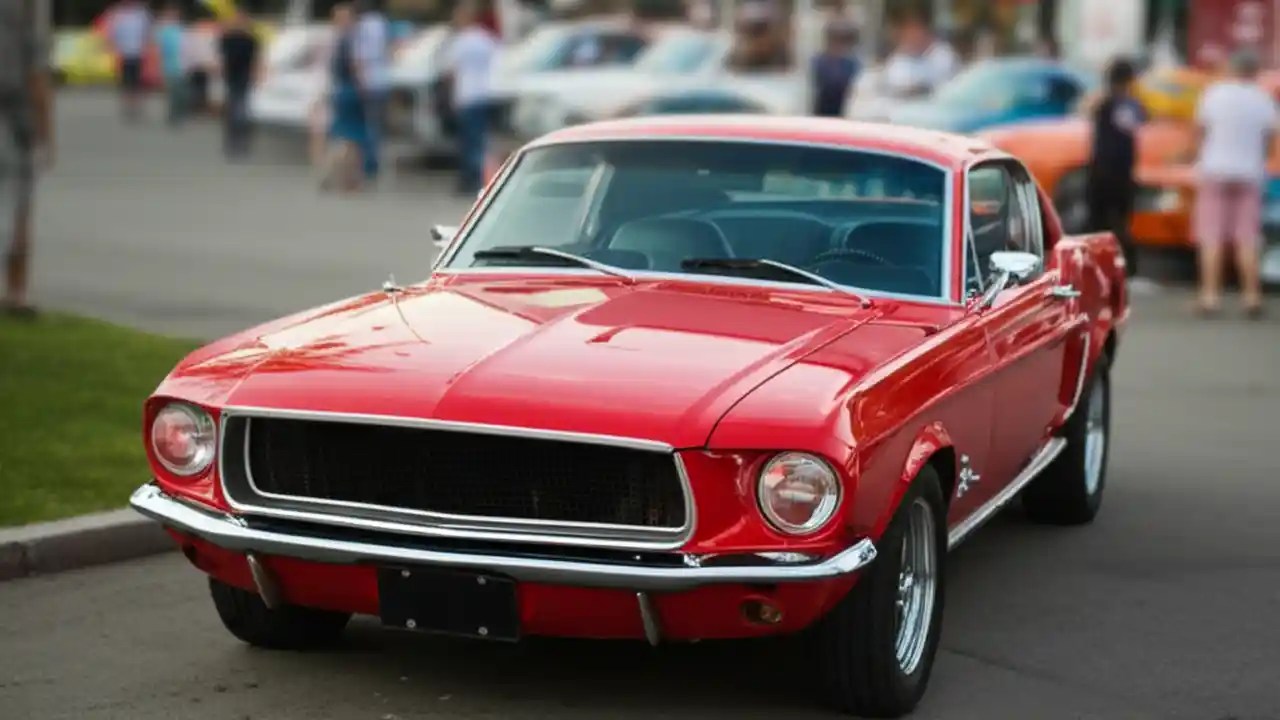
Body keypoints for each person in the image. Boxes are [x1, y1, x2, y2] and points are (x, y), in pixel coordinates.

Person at [1191, 49, 1277, 318]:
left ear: (1230, 67)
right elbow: (1270, 139)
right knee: (1247, 238)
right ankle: (1251, 296)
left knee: (1212, 236)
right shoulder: (1263, 99)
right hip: (1249, 174)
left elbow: (1200, 131)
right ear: (1255, 71)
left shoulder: (1214, 94)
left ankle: (1210, 297)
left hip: (1215, 171)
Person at [2, 0, 53, 318]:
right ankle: (16, 291)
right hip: (13, 115)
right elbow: (36, 71)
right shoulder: (30, 6)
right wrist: (46, 132)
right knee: (18, 203)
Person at [1085, 58, 1144, 282]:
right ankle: (1125, 269)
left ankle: (1096, 266)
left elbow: (1086, 111)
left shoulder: (1103, 102)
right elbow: (1138, 123)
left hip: (1100, 169)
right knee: (1120, 221)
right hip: (1121, 172)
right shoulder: (1129, 104)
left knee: (1097, 222)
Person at [445, 1, 498, 196]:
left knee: (468, 142)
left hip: (466, 96)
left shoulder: (460, 41)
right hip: (483, 94)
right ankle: (480, 178)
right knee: (480, 140)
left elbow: (451, 72)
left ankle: (470, 180)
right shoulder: (486, 39)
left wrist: (449, 97)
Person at [320, 3, 367, 192]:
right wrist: (363, 86)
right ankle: (341, 177)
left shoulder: (336, 40)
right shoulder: (351, 40)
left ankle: (345, 178)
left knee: (347, 137)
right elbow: (357, 66)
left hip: (340, 89)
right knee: (351, 138)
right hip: (351, 90)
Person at [353, 0, 391, 184]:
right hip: (382, 80)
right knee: (376, 125)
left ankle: (369, 164)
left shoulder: (363, 26)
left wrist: (360, 81)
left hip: (369, 80)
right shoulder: (382, 24)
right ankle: (374, 162)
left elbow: (360, 56)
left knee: (368, 124)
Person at [882, 14, 957, 99]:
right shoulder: (897, 60)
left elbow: (950, 87)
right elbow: (892, 86)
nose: (912, 37)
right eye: (907, 34)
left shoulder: (943, 55)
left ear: (925, 32)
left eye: (916, 31)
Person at [218, 10, 260, 160]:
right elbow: (222, 58)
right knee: (234, 109)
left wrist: (256, 75)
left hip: (244, 77)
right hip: (231, 76)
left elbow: (256, 59)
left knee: (240, 109)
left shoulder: (251, 39)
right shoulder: (227, 38)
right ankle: (233, 143)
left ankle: (240, 142)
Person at [108, 0, 152, 122]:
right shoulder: (118, 15)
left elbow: (147, 32)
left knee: (137, 81)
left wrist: (147, 47)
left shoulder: (142, 14)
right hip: (124, 53)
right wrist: (114, 47)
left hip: (138, 52)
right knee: (126, 81)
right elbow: (114, 33)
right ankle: (128, 106)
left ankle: (136, 106)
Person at [811, 22, 860, 117]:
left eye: (843, 40)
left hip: (845, 116)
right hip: (819, 116)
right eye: (835, 38)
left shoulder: (854, 65)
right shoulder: (819, 63)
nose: (838, 44)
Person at [155, 4, 188, 127]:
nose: (173, 16)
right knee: (173, 93)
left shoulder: (182, 29)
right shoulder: (163, 30)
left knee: (182, 93)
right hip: (169, 66)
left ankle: (179, 114)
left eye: (174, 14)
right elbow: (158, 49)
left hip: (184, 66)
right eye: (170, 14)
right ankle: (174, 116)